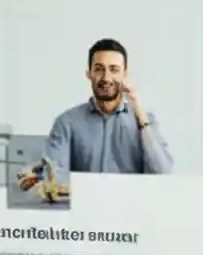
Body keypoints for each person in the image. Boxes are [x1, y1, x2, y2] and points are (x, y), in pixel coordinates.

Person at [18, 38, 173, 191]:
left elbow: (162, 174)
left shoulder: (144, 120)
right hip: (83, 213)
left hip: (130, 212)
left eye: (114, 69)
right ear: (89, 73)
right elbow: (55, 180)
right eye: (99, 69)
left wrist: (141, 115)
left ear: (124, 74)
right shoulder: (66, 123)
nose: (106, 78)